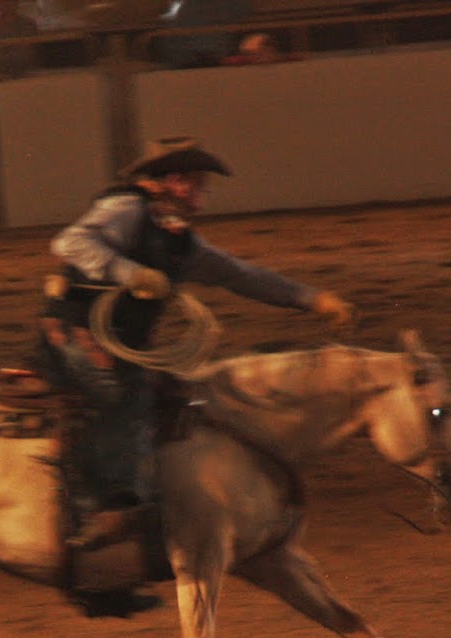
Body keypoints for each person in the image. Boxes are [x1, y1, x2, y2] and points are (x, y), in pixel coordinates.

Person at [34, 136, 355, 550]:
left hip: (116, 343)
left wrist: (310, 299)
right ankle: (98, 509)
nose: (204, 189)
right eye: (198, 180)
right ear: (173, 180)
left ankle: (152, 506)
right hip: (72, 332)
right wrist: (130, 273)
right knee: (120, 393)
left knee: (171, 397)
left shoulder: (179, 240)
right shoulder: (126, 208)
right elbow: (70, 242)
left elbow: (239, 274)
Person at [0, 0, 41, 79]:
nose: (8, 4)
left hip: (27, 76)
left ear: (17, 3)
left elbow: (33, 52)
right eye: (4, 2)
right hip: (0, 77)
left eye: (11, 1)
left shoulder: (29, 25)